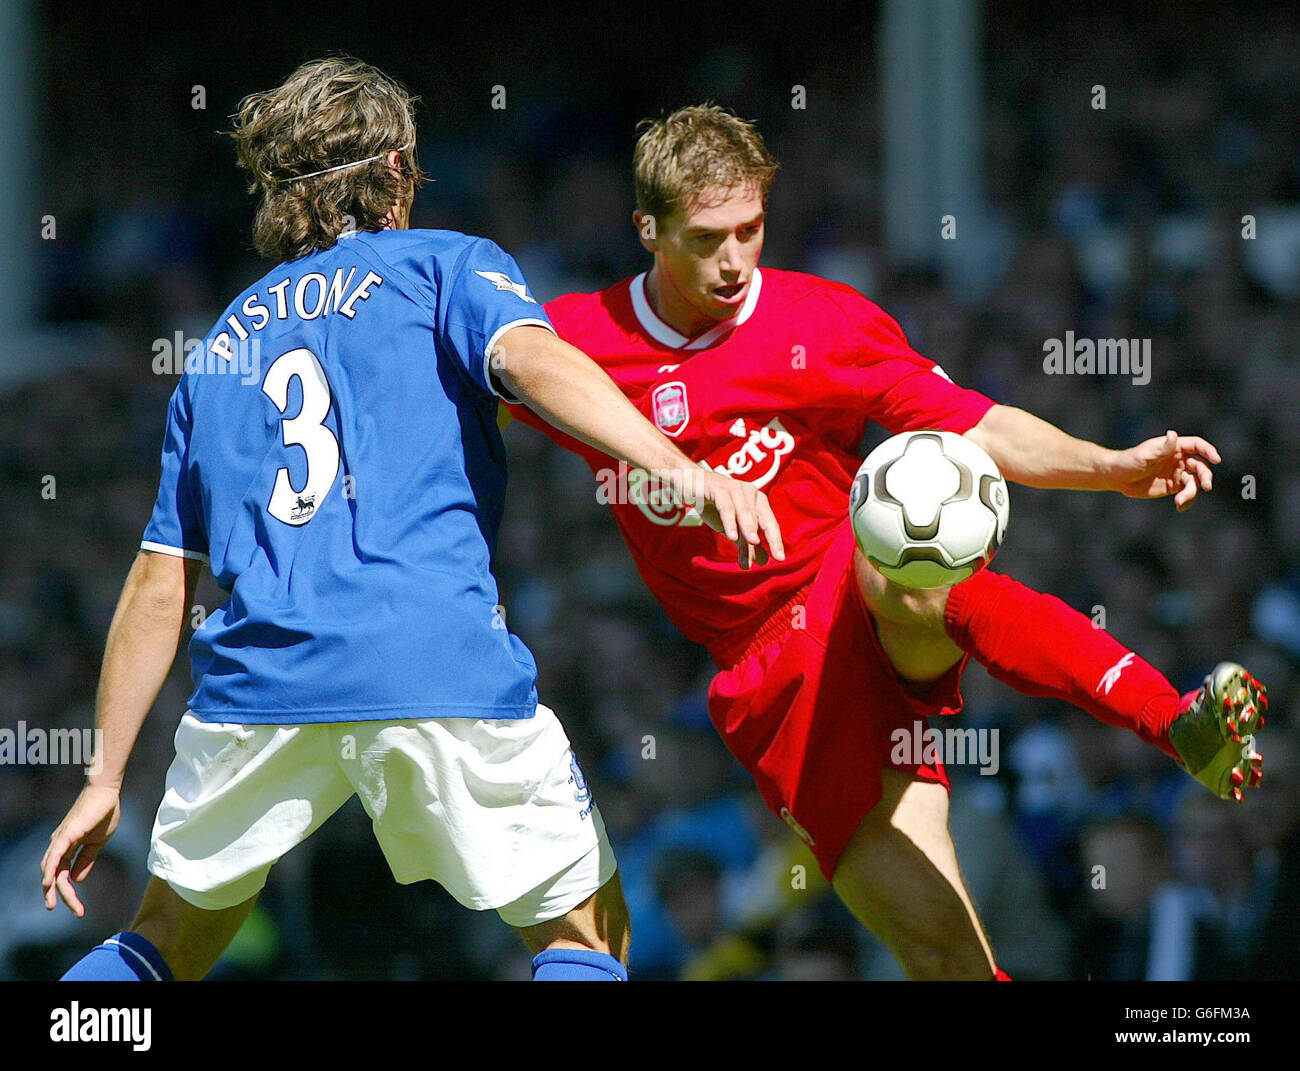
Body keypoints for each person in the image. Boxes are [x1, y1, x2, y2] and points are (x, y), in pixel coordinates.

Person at [40, 63, 781, 983]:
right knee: (586, 935)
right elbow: (532, 363)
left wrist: (103, 777)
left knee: (163, 942)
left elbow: (160, 581)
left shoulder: (220, 340)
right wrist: (680, 466)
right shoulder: (449, 266)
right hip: (433, 658)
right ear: (397, 168)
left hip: (258, 682)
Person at [503, 104, 1268, 980]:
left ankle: (1174, 722)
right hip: (773, 678)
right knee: (947, 959)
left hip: (850, 587)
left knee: (908, 554)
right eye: (708, 236)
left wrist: (1112, 465)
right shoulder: (577, 342)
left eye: (751, 229)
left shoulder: (819, 320)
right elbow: (473, 386)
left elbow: (975, 422)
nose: (734, 259)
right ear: (647, 228)